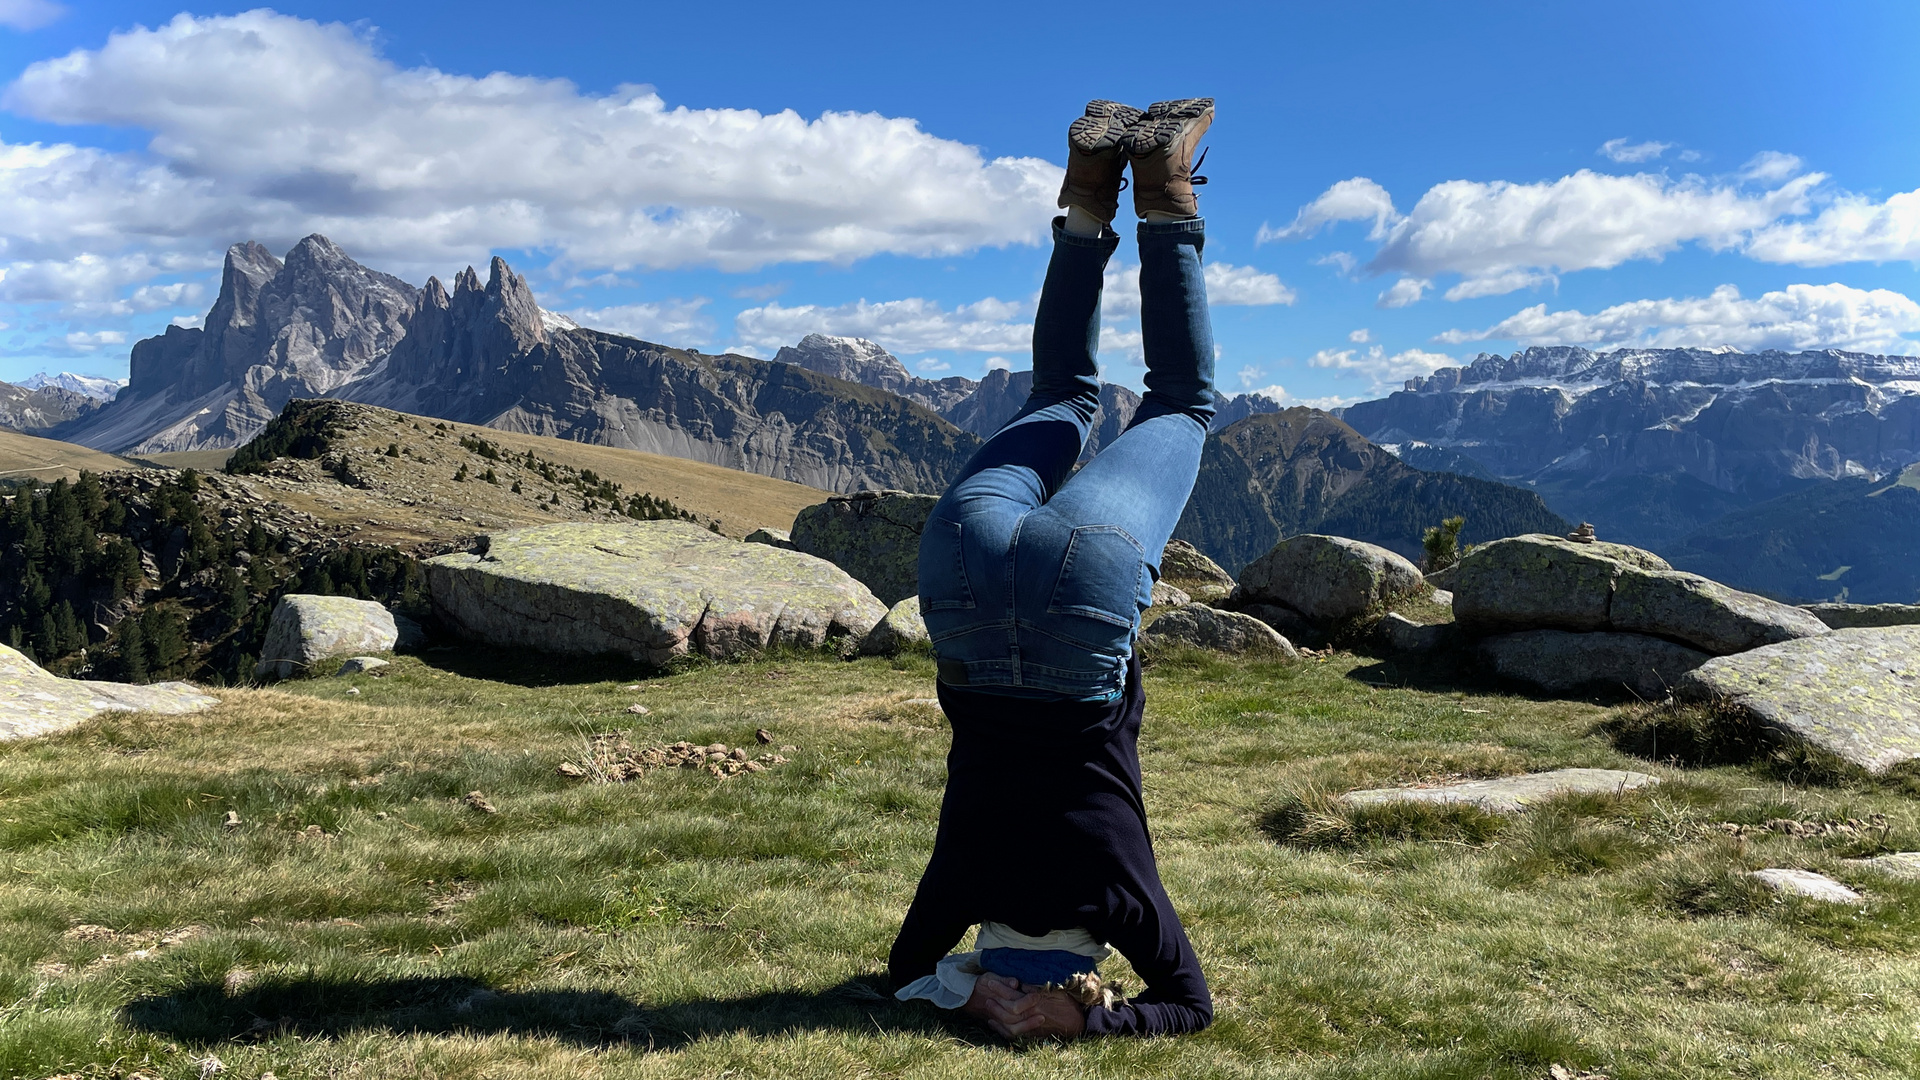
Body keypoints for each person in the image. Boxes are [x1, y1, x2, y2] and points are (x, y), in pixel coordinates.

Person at [888, 97, 1219, 1040]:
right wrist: (960, 993)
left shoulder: (1118, 898)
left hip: (1082, 607)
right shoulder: (966, 884)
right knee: (1064, 396)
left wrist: (1081, 1023)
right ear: (978, 944)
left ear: (1096, 963)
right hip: (961, 579)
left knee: (1181, 404)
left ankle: (1165, 195)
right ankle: (1084, 202)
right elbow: (904, 973)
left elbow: (1189, 1008)